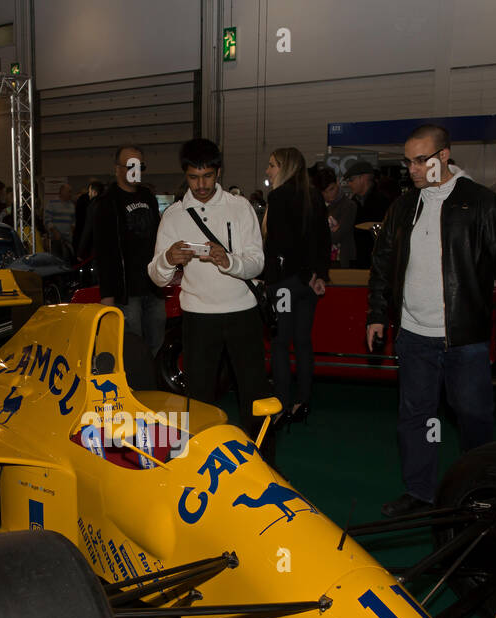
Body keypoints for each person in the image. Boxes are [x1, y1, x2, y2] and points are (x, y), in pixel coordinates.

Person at [367, 124, 496, 517]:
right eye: (409, 161)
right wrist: (376, 315)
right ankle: (420, 493)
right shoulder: (403, 206)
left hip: (463, 335)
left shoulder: (483, 203)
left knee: (474, 415)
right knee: (414, 418)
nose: (413, 169)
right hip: (413, 334)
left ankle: (480, 488)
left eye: (421, 160)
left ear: (444, 156)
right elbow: (383, 265)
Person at [148, 138, 268, 440]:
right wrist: (167, 259)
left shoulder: (240, 208)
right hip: (198, 318)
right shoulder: (173, 215)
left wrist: (228, 261)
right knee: (198, 397)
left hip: (243, 313)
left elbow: (257, 263)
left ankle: (263, 459)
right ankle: (200, 464)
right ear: (185, 175)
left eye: (208, 176)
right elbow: (157, 277)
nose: (201, 184)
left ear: (219, 172)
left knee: (254, 394)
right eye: (193, 177)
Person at [264, 147, 329, 424]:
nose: (268, 171)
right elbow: (323, 239)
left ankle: (281, 403)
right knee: (302, 343)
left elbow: (282, 243)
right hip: (309, 283)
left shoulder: (278, 197)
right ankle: (302, 401)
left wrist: (301, 274)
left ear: (285, 167)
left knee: (280, 344)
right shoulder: (314, 196)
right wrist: (318, 275)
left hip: (285, 282)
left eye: (272, 165)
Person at [92, 145, 165, 353]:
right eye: (130, 165)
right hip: (126, 290)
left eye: (139, 165)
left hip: (153, 285)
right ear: (117, 169)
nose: (135, 170)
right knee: (132, 346)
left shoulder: (148, 197)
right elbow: (103, 251)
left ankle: (152, 382)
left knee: (156, 342)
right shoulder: (106, 203)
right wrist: (107, 295)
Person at [336, 161, 388, 269]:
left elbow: (381, 232)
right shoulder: (352, 202)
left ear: (363, 178)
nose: (349, 184)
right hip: (355, 259)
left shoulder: (382, 202)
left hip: (374, 260)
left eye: (351, 180)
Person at [43, 183, 76, 259]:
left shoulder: (72, 205)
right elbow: (47, 220)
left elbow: (73, 221)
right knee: (56, 261)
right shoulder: (52, 203)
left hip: (68, 241)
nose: (70, 194)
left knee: (67, 261)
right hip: (56, 240)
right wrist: (55, 232)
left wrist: (72, 230)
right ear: (62, 191)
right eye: (69, 191)